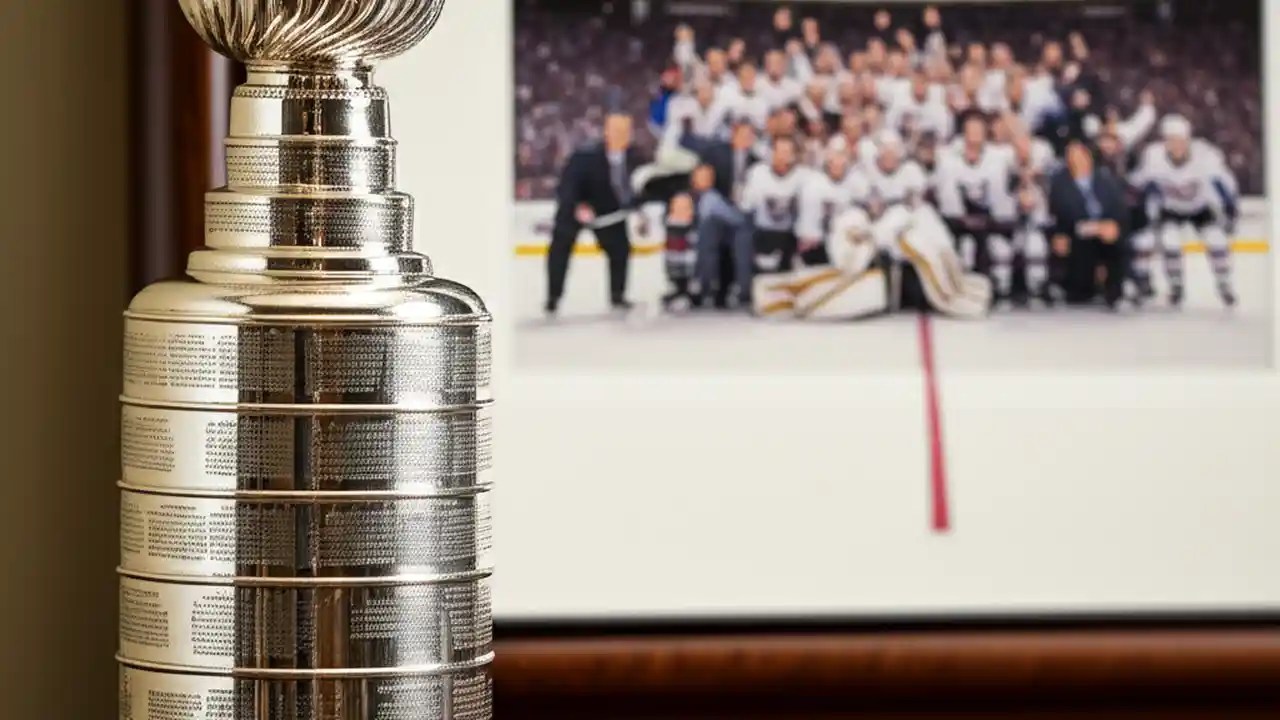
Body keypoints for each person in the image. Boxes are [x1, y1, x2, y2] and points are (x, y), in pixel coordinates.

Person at [1129, 114, 1239, 307]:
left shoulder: (1205, 155)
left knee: (1216, 239)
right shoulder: (1154, 156)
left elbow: (1224, 186)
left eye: (1180, 140)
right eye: (1171, 141)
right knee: (1170, 241)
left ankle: (1224, 284)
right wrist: (1141, 212)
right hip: (1171, 208)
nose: (1176, 146)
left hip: (1200, 208)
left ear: (1189, 139)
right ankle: (1176, 286)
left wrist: (1230, 213)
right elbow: (1140, 185)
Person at [547, 113, 644, 315]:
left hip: (609, 210)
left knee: (620, 249)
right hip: (577, 206)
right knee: (560, 247)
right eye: (616, 130)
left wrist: (640, 210)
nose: (620, 135)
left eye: (625, 131)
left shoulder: (635, 157)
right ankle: (553, 297)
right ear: (606, 132)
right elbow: (567, 185)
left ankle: (618, 295)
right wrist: (579, 206)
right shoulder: (586, 155)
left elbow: (639, 186)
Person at [1046, 139, 1131, 308]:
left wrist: (1113, 225)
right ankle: (1081, 290)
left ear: (1089, 157)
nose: (1076, 160)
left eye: (1080, 155)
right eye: (1071, 156)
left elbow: (1119, 208)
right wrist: (1095, 228)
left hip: (1105, 229)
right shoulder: (1060, 184)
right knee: (1077, 245)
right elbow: (1063, 215)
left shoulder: (1106, 179)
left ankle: (1116, 290)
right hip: (1076, 232)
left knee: (1116, 238)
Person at [689, 163, 755, 308]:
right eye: (701, 176)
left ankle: (707, 287)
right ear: (693, 178)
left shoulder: (712, 198)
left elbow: (736, 219)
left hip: (707, 238)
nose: (705, 180)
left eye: (708, 177)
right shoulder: (686, 195)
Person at [741, 135, 809, 273]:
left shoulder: (803, 176)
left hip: (789, 237)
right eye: (778, 152)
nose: (782, 157)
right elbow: (746, 207)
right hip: (762, 234)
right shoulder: (758, 173)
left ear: (794, 156)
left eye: (787, 153)